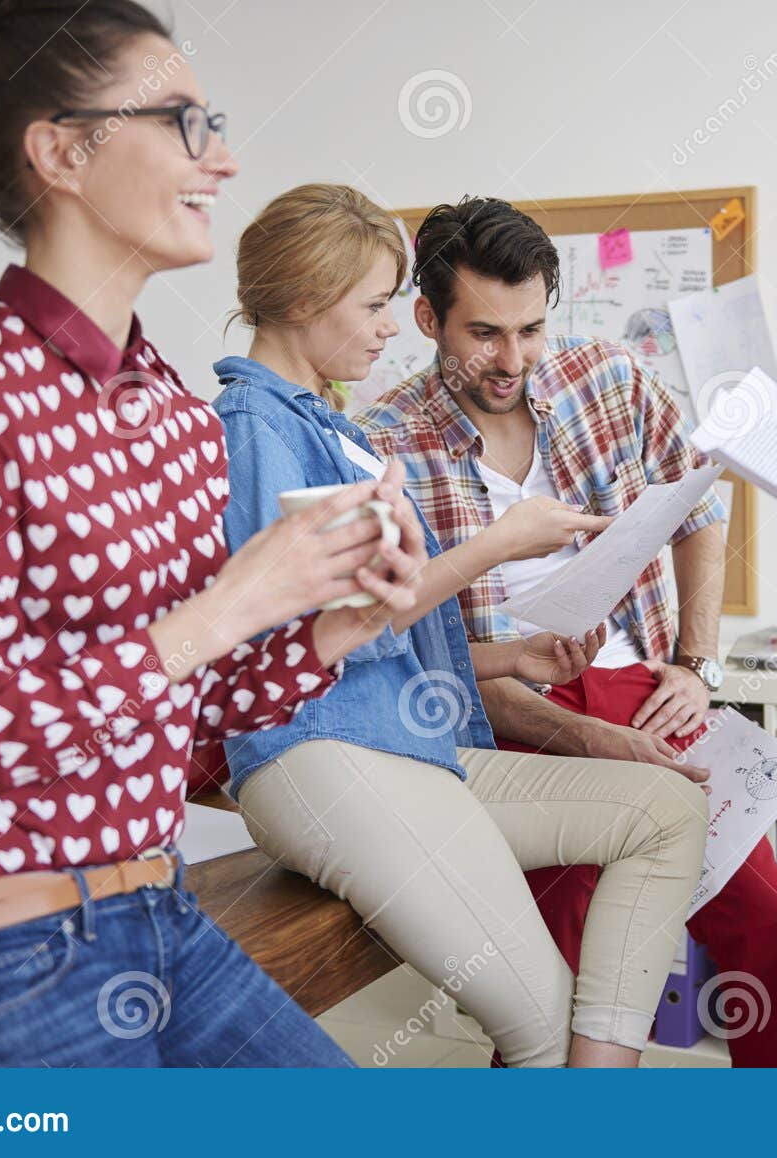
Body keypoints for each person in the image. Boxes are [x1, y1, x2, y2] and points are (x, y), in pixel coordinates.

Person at [0, 0, 424, 1067]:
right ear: (62, 150)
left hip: (152, 905)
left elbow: (197, 712)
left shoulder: (173, 416)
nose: (225, 159)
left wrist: (340, 616)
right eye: (184, 123)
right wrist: (234, 601)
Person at [214, 183, 710, 1068]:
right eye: (372, 304)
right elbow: (335, 634)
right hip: (328, 755)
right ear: (301, 301)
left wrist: (512, 653)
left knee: (668, 809)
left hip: (409, 745)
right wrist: (498, 545)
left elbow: (385, 636)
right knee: (538, 1023)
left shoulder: (323, 427)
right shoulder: (256, 427)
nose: (383, 327)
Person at [356, 197, 777, 1067]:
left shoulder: (604, 377)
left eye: (531, 329)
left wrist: (695, 663)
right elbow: (420, 655)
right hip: (506, 719)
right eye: (484, 334)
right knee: (554, 968)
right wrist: (581, 737)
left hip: (639, 689)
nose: (512, 360)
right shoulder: (384, 445)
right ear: (428, 318)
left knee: (770, 921)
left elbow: (701, 507)